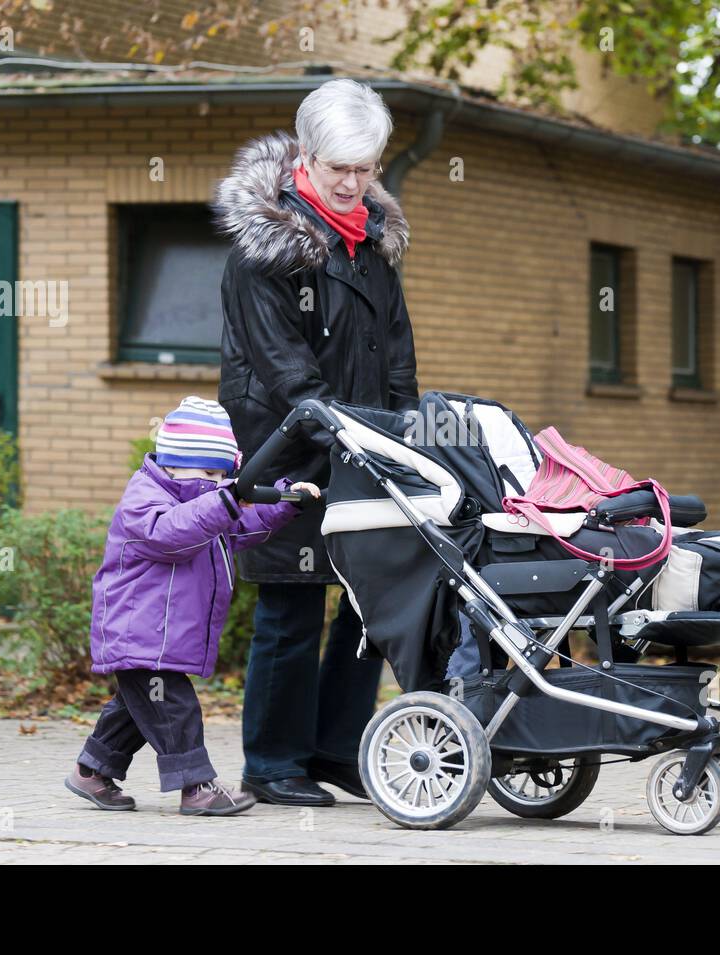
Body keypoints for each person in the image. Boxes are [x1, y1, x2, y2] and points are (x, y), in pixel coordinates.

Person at [213, 78, 419, 806]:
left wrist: (405, 431)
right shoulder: (263, 250)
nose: (356, 184)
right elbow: (284, 370)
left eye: (368, 170)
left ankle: (335, 750)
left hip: (363, 445)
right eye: (342, 170)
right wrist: (336, 426)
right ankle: (271, 763)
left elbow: (395, 351)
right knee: (293, 603)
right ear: (306, 157)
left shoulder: (371, 245)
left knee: (369, 605)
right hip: (287, 448)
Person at [65, 396, 321, 815]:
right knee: (173, 707)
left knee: (137, 709)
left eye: (222, 473)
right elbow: (170, 534)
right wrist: (225, 501)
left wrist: (283, 504)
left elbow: (239, 525)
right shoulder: (144, 500)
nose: (215, 481)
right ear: (170, 463)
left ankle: (92, 771)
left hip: (160, 635)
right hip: (138, 630)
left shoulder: (208, 506)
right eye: (205, 471)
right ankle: (196, 787)